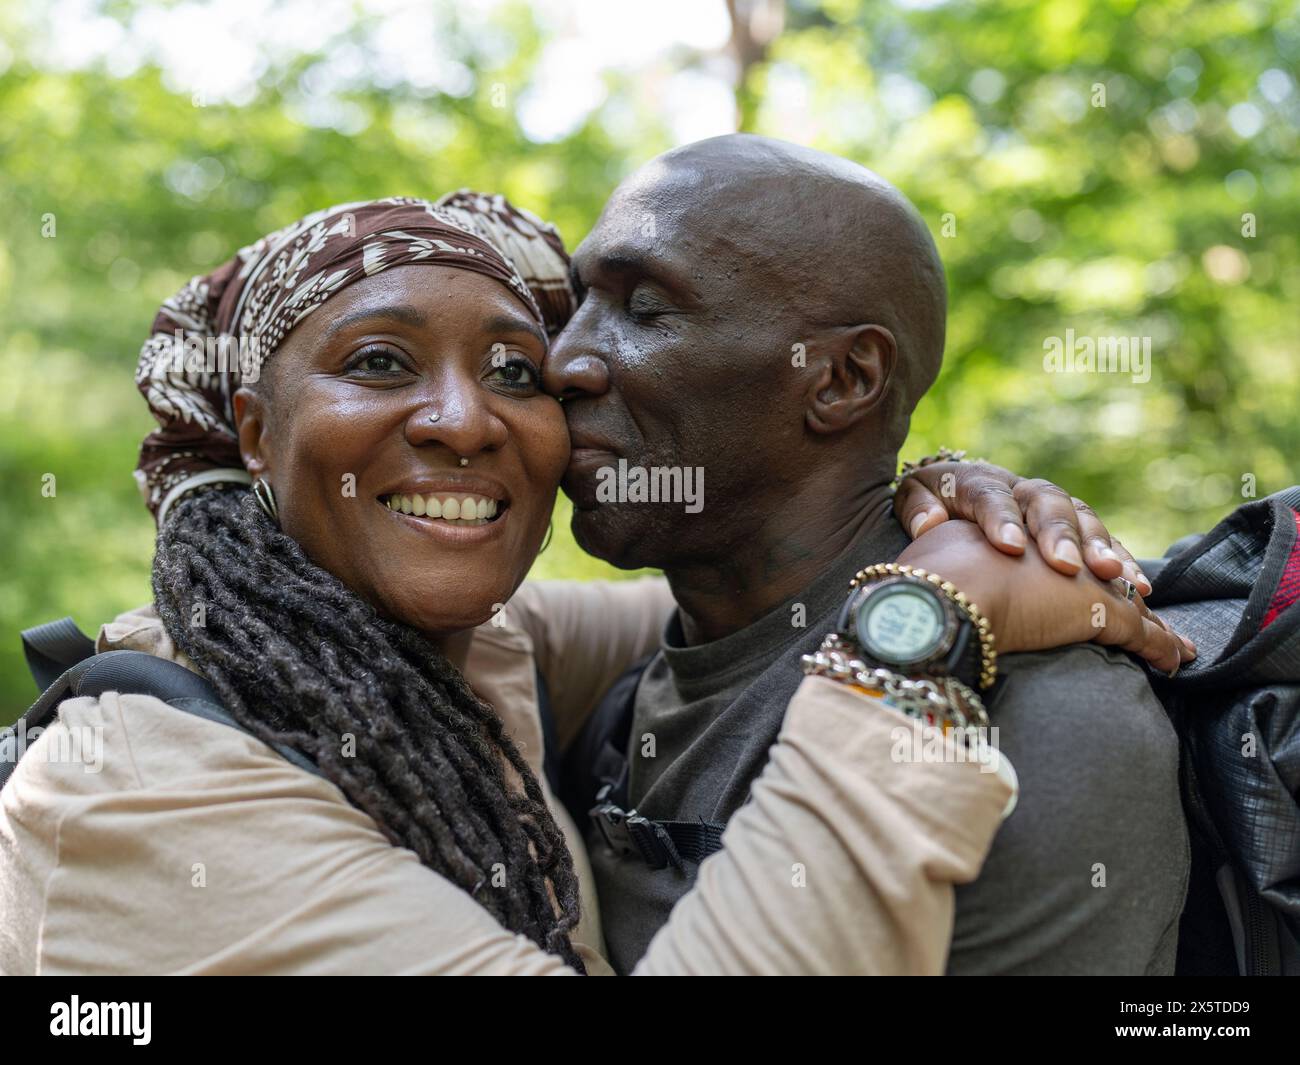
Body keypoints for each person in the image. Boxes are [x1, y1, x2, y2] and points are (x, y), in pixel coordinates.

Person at [0, 192, 1183, 977]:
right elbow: (859, 616)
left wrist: (940, 494)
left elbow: (769, 600)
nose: (471, 418)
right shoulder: (136, 791)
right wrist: (919, 630)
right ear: (253, 433)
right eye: (377, 363)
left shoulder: (483, 654)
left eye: (514, 369)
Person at [546, 134, 1194, 975]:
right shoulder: (617, 694)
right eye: (576, 303)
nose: (564, 361)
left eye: (644, 310)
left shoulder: (1032, 724)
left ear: (843, 380)